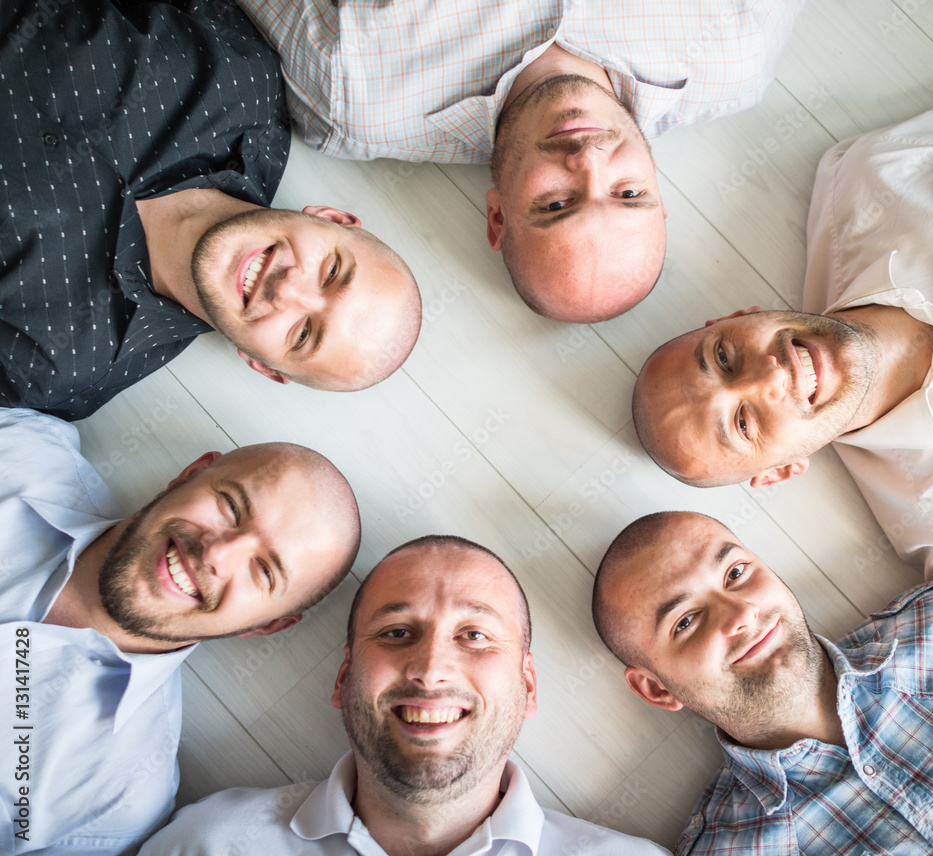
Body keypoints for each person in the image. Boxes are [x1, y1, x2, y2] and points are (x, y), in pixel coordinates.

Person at [632, 83, 933, 588]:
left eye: (723, 357)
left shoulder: (875, 178)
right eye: (743, 423)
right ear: (782, 469)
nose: (769, 373)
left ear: (736, 317)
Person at [235, 0, 803, 324]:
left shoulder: (352, 91)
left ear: (498, 216)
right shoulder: (735, 46)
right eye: (628, 193)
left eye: (558, 203)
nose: (588, 160)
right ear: (657, 190)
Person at [0, 0, 421, 421]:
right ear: (332, 219)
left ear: (263, 365)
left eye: (304, 333)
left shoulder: (54, 367)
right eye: (331, 272)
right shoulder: (242, 74)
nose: (288, 289)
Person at [140, 535, 670, 855]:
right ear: (343, 677)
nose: (431, 670)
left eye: (475, 636)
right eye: (396, 633)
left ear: (527, 687)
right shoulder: (208, 844)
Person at [0, 407, 361, 853]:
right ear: (190, 473)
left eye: (264, 571)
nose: (219, 554)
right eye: (230, 506)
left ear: (267, 626)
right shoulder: (17, 449)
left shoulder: (117, 798)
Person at [592, 510, 933, 854]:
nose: (743, 615)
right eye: (685, 621)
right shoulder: (730, 847)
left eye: (735, 573)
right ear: (657, 689)